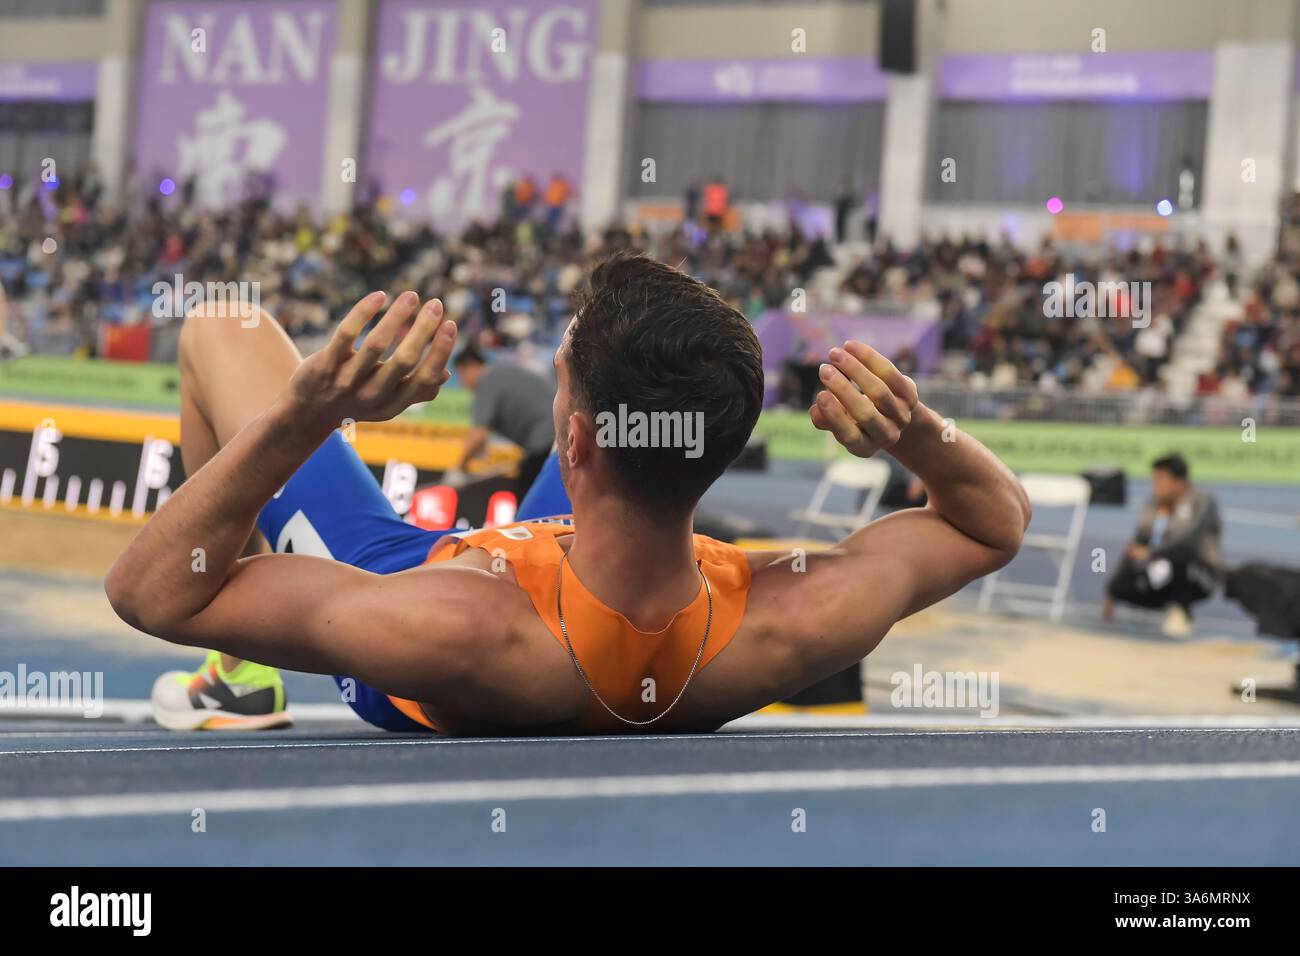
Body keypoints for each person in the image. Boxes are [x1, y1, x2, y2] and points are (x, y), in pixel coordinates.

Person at [106, 254, 1029, 735]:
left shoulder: (443, 620)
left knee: (221, 322)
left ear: (573, 441)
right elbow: (995, 525)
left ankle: (239, 679)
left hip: (421, 584)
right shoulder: (794, 616)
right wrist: (917, 429)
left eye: (557, 380)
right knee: (658, 357)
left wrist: (303, 414)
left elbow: (152, 590)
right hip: (611, 570)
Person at [1103, 453, 1223, 637]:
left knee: (1179, 555)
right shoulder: (1153, 505)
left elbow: (1186, 539)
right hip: (1162, 570)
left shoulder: (1202, 501)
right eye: (1154, 480)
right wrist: (1111, 589)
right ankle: (1165, 616)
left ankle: (1179, 609)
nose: (1155, 486)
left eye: (1160, 480)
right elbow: (1137, 543)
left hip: (1200, 574)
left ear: (1180, 481)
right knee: (1121, 585)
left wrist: (1152, 551)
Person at [451, 343, 556, 498]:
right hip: (558, 437)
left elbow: (479, 434)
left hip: (546, 442)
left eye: (461, 375)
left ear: (471, 366)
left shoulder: (487, 382)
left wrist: (458, 469)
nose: (462, 383)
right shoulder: (503, 373)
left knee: (527, 496)